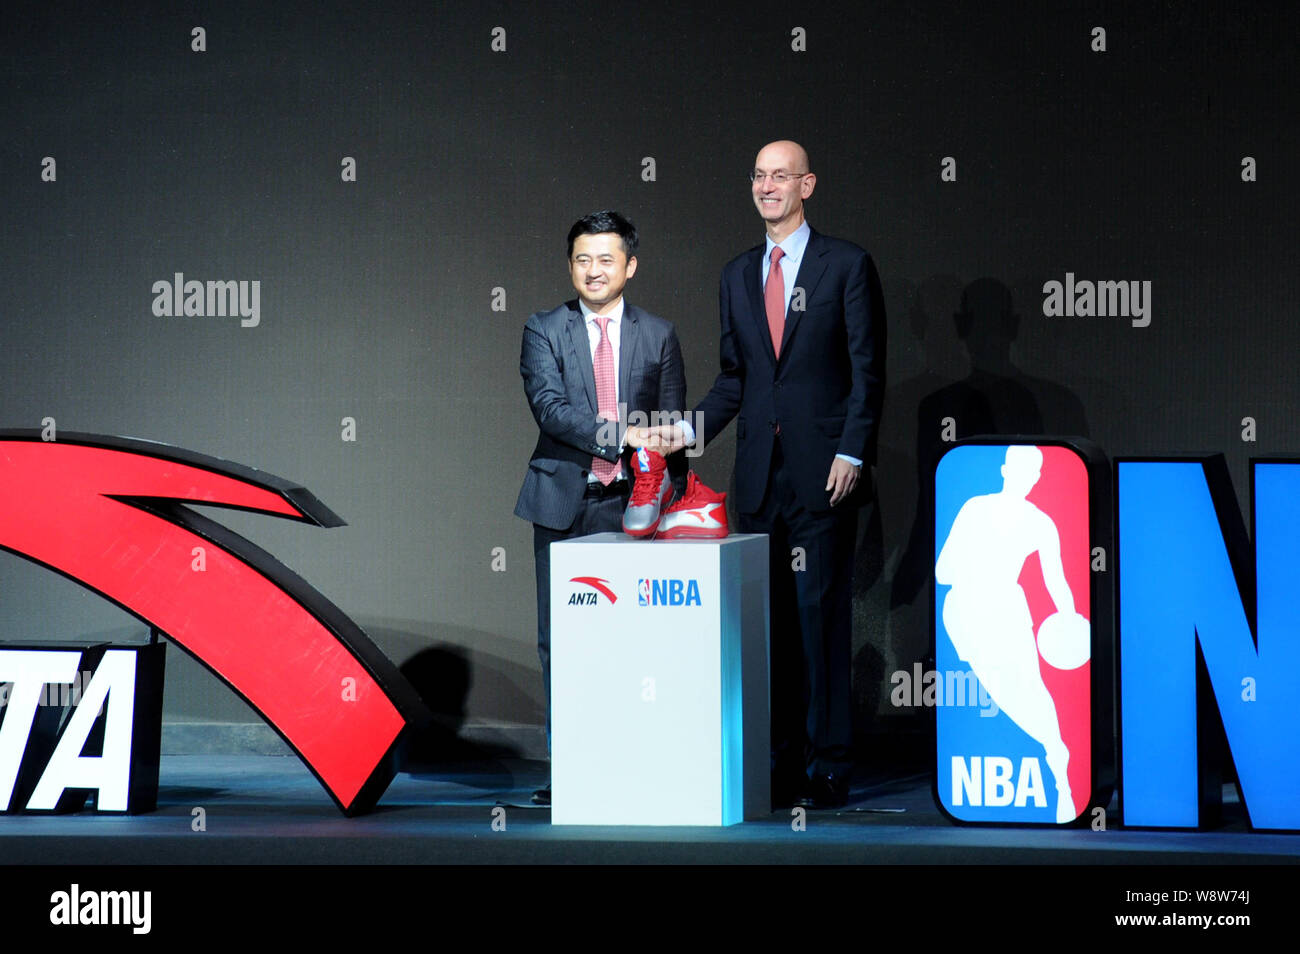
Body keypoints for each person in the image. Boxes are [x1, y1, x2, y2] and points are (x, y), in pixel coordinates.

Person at [639, 140, 885, 808]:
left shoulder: (847, 266)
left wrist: (854, 452)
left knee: (821, 622)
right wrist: (684, 432)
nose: (767, 186)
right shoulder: (737, 274)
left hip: (824, 474)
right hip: (758, 479)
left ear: (807, 184)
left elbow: (867, 371)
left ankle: (829, 763)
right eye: (758, 176)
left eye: (781, 176)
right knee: (770, 625)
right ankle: (779, 763)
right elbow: (736, 379)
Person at [515, 210, 687, 805]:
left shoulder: (659, 334)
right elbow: (551, 409)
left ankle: (636, 760)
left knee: (635, 643)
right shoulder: (543, 329)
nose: (593, 270)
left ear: (630, 266)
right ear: (571, 266)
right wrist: (622, 436)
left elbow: (668, 424)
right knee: (561, 642)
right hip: (566, 503)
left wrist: (673, 495)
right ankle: (569, 769)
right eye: (582, 259)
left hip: (634, 508)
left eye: (606, 259)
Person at [935, 444, 1080, 822]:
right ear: (1007, 471)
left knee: (1027, 690)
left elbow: (1057, 583)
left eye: (1033, 471)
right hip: (969, 614)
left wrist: (1069, 621)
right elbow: (943, 571)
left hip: (1003, 614)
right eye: (1025, 470)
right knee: (1008, 691)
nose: (1029, 478)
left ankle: (1058, 767)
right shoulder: (977, 509)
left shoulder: (1038, 522)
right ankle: (1052, 756)